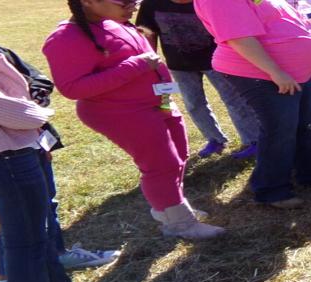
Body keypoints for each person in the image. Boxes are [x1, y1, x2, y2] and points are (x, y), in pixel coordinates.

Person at [45, 0, 226, 238]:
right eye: (124, 0)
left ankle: (171, 209)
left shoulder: (116, 23)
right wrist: (134, 66)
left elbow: (150, 60)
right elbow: (73, 88)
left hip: (157, 103)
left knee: (178, 157)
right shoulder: (65, 38)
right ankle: (179, 224)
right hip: (120, 112)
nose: (133, 4)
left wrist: (163, 97)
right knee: (161, 164)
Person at [0, 40, 126, 282]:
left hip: (15, 151)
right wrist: (38, 112)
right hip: (4, 158)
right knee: (24, 241)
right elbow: (16, 113)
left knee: (37, 235)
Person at [195, 0, 311, 208]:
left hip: (290, 71)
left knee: (300, 123)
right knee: (279, 129)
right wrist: (276, 72)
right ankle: (271, 189)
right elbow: (238, 37)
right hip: (263, 73)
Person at [134, 0, 262, 159]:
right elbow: (147, 33)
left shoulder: (208, 2)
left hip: (217, 62)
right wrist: (151, 63)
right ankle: (214, 139)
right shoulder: (151, 3)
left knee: (234, 100)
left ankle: (254, 140)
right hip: (179, 65)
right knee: (193, 103)